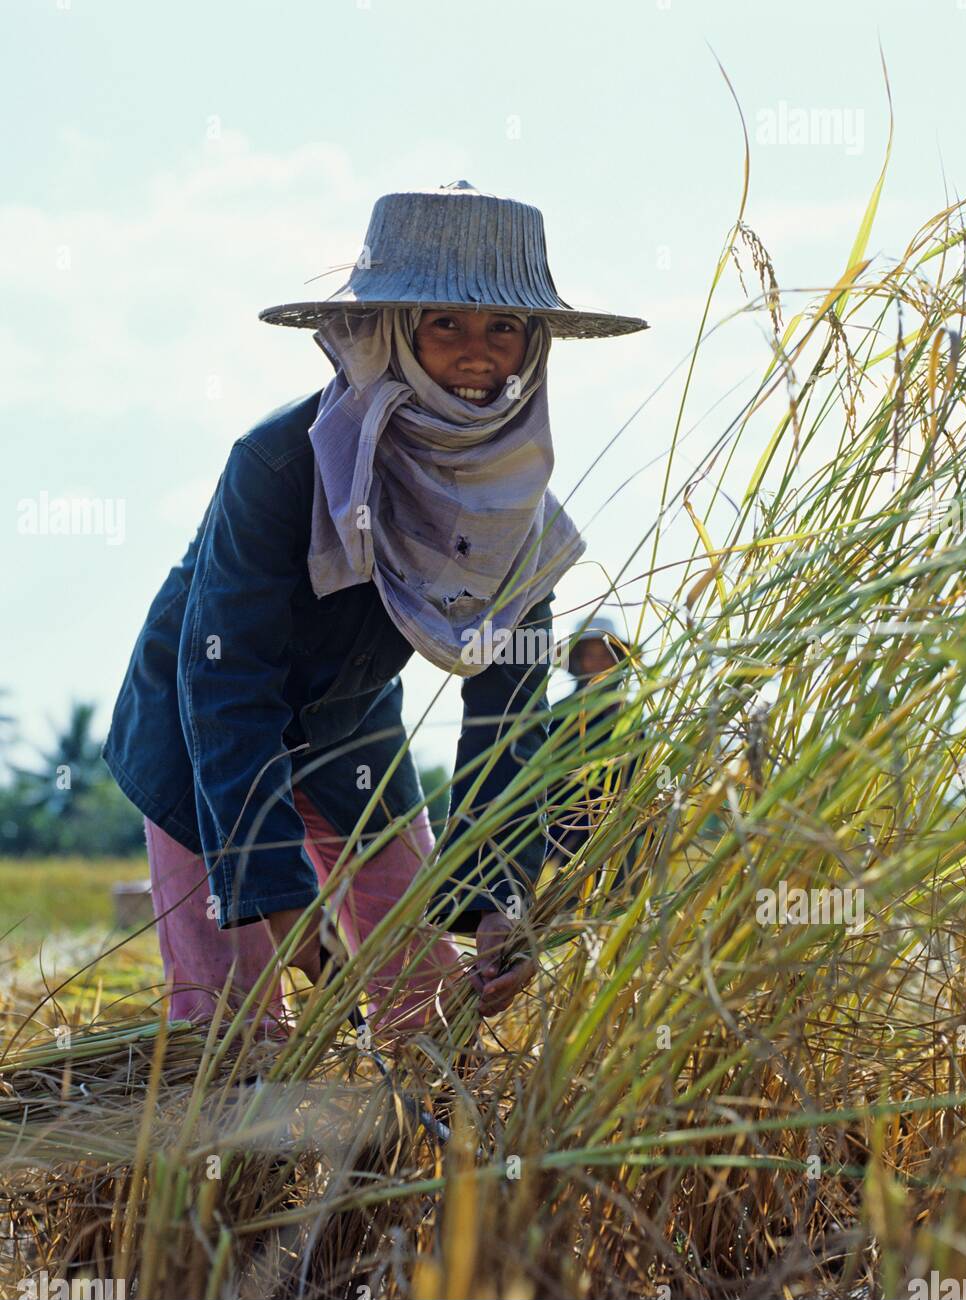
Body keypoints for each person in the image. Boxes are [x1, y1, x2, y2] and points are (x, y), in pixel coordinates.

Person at [101, 180, 648, 1042]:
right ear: (392, 332)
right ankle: (227, 1165)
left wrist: (501, 897)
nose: (479, 354)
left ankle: (421, 1160)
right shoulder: (280, 466)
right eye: (446, 325)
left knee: (425, 1010)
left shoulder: (518, 513)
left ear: (535, 345)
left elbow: (507, 716)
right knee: (231, 1030)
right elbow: (226, 675)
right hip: (200, 729)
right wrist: (277, 897)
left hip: (350, 731)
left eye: (504, 328)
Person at [544, 614, 642, 882]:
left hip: (614, 830)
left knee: (612, 899)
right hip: (562, 827)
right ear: (577, 661)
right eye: (591, 655)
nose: (599, 663)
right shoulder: (560, 714)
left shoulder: (629, 717)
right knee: (558, 895)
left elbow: (641, 771)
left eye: (607, 654)